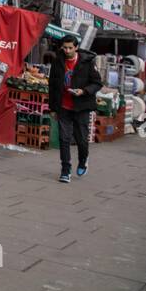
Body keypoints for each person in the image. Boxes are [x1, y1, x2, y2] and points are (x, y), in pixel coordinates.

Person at [47, 36, 102, 183]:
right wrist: (52, 108)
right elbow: (52, 85)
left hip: (81, 107)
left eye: (70, 48)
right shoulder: (57, 61)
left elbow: (97, 83)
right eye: (65, 48)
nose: (67, 50)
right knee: (64, 139)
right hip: (63, 107)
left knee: (81, 140)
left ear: (76, 47)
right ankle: (65, 170)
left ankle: (83, 160)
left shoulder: (87, 62)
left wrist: (83, 91)